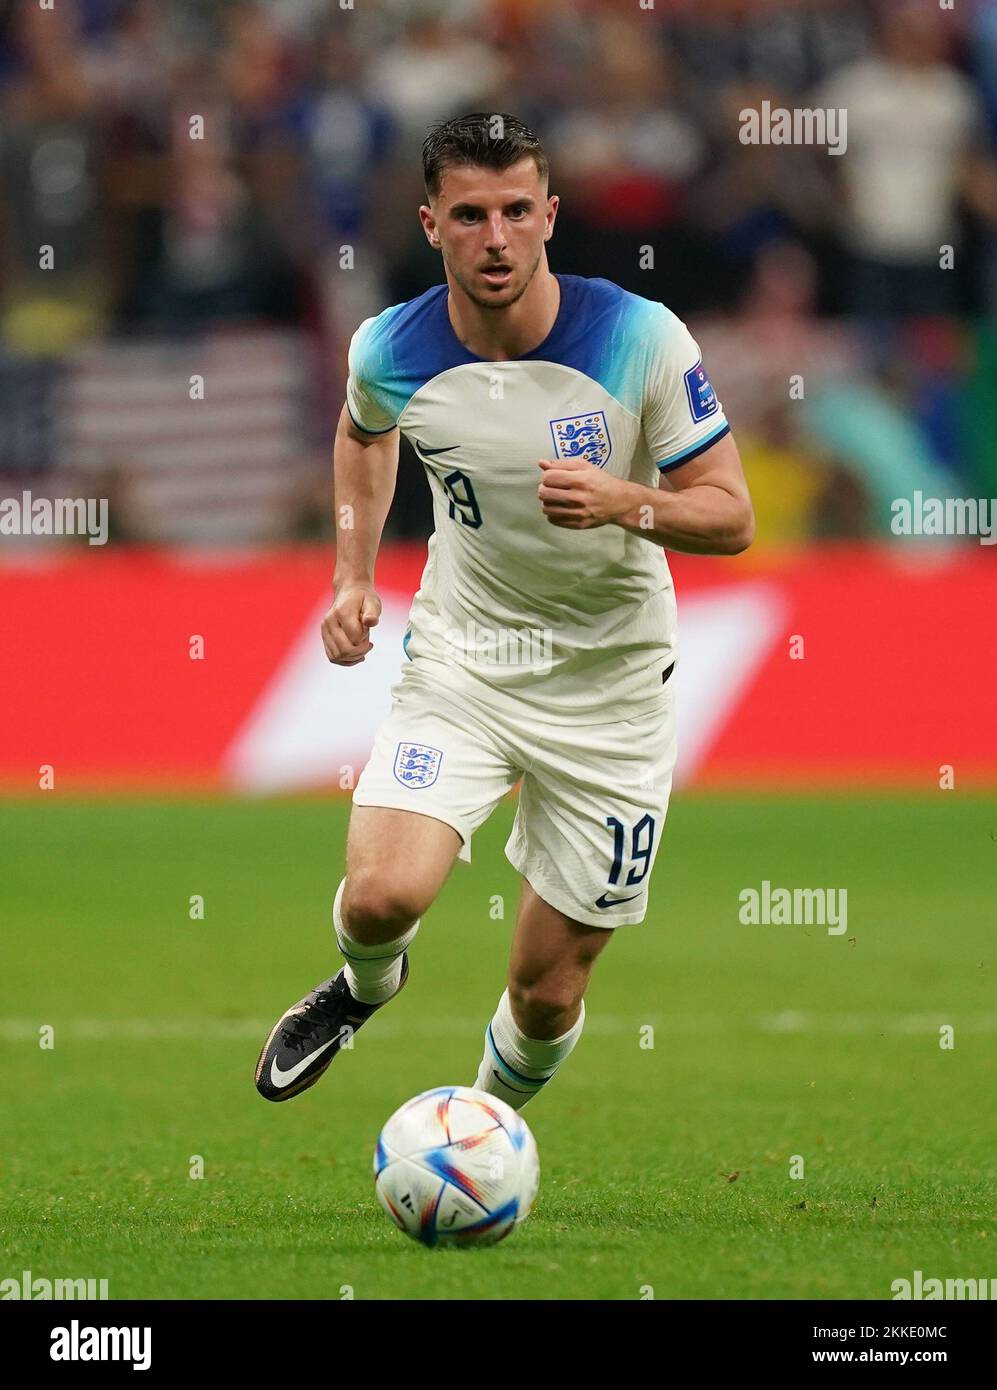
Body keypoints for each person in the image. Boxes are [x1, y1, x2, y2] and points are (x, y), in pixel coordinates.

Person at [255, 113, 753, 1109]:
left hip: (609, 690)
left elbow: (731, 517)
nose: (497, 238)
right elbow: (363, 436)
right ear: (432, 222)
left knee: (545, 987)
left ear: (550, 216)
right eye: (472, 215)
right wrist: (354, 576)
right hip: (465, 660)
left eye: (517, 211)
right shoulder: (389, 346)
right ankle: (365, 984)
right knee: (380, 896)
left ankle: (475, 1126)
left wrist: (626, 501)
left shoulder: (639, 338)